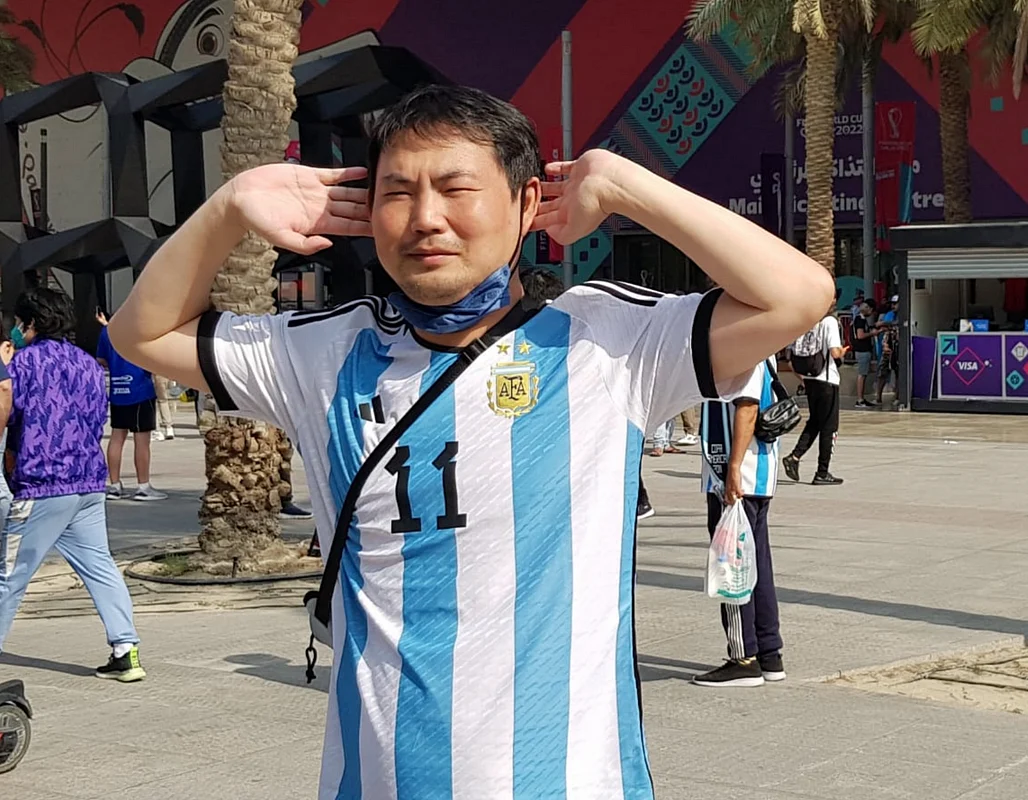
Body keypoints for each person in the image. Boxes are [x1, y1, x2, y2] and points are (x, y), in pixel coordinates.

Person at [107, 84, 832, 798]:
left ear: (525, 205)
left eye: (457, 189)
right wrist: (231, 207)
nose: (426, 219)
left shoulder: (606, 341)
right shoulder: (321, 355)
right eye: (398, 192)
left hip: (568, 780)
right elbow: (140, 334)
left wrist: (623, 184)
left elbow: (797, 295)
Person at [0, 288, 145, 681]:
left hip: (42, 482)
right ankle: (125, 650)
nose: (15, 330)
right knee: (99, 564)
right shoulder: (87, 365)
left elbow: (8, 411)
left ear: (30, 324)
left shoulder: (22, 365)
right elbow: (98, 416)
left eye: (19, 323)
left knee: (9, 575)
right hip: (87, 479)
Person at [694, 358, 784, 687]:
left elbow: (747, 407)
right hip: (754, 475)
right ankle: (769, 653)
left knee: (731, 563)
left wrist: (733, 468)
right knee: (757, 561)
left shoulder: (746, 350)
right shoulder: (762, 347)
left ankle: (742, 655)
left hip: (736, 479)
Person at [95, 312, 166, 501]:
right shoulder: (140, 331)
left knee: (116, 437)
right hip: (140, 389)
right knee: (142, 440)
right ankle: (143, 486)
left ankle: (115, 485)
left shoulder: (107, 332)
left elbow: (101, 360)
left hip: (118, 390)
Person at [782, 309, 846, 485]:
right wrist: (843, 352)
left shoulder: (803, 321)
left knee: (815, 421)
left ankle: (794, 457)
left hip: (810, 380)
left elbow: (790, 357)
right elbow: (835, 352)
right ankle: (822, 472)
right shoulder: (829, 322)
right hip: (827, 379)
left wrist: (803, 379)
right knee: (829, 427)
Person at [851, 299, 876, 408]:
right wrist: (872, 333)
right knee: (862, 374)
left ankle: (861, 398)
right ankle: (860, 399)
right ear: (868, 309)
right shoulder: (859, 320)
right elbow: (860, 335)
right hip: (862, 350)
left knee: (864, 374)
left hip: (863, 350)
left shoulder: (860, 319)